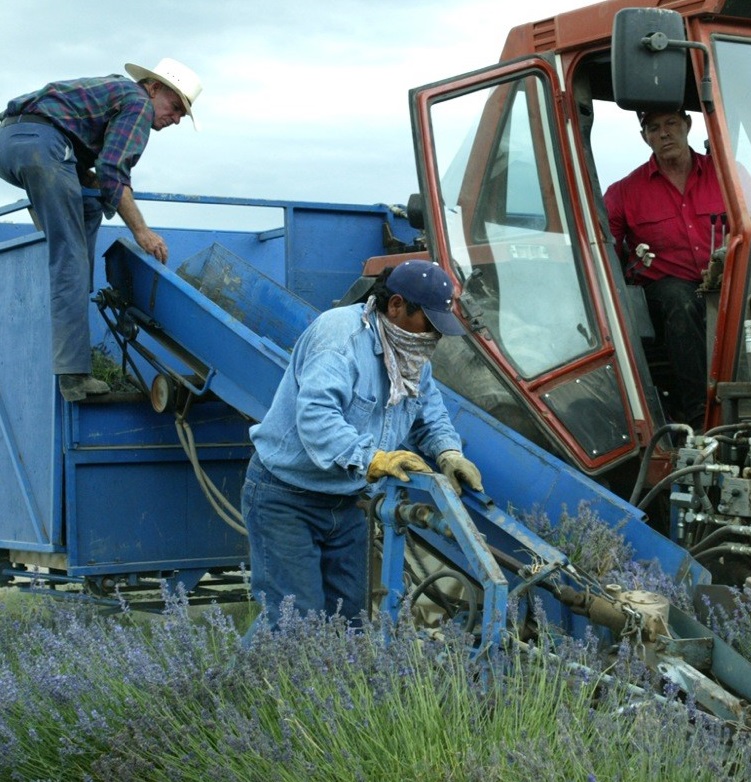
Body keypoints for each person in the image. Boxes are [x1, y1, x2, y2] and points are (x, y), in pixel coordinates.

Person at [242, 259, 484, 634]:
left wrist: (448, 453)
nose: (434, 337)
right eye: (430, 324)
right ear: (396, 305)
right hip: (286, 498)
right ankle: (230, 690)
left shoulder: (411, 356)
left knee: (347, 622)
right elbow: (318, 418)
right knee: (295, 622)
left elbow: (428, 412)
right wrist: (371, 458)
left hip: (345, 501)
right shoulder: (340, 339)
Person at [0, 58, 202, 402]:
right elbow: (113, 169)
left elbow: (101, 173)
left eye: (183, 113)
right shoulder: (137, 103)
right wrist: (143, 232)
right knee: (71, 259)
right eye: (175, 107)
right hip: (44, 146)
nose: (177, 118)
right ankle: (74, 377)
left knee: (91, 203)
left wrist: (95, 183)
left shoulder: (115, 92)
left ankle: (63, 233)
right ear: (153, 88)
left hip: (12, 139)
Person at [604, 109, 724, 430]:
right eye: (654, 128)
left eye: (671, 123)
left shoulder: (727, 175)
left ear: (687, 124)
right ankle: (701, 416)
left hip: (725, 285)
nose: (664, 133)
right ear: (645, 137)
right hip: (664, 296)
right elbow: (604, 261)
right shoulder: (623, 193)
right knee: (679, 299)